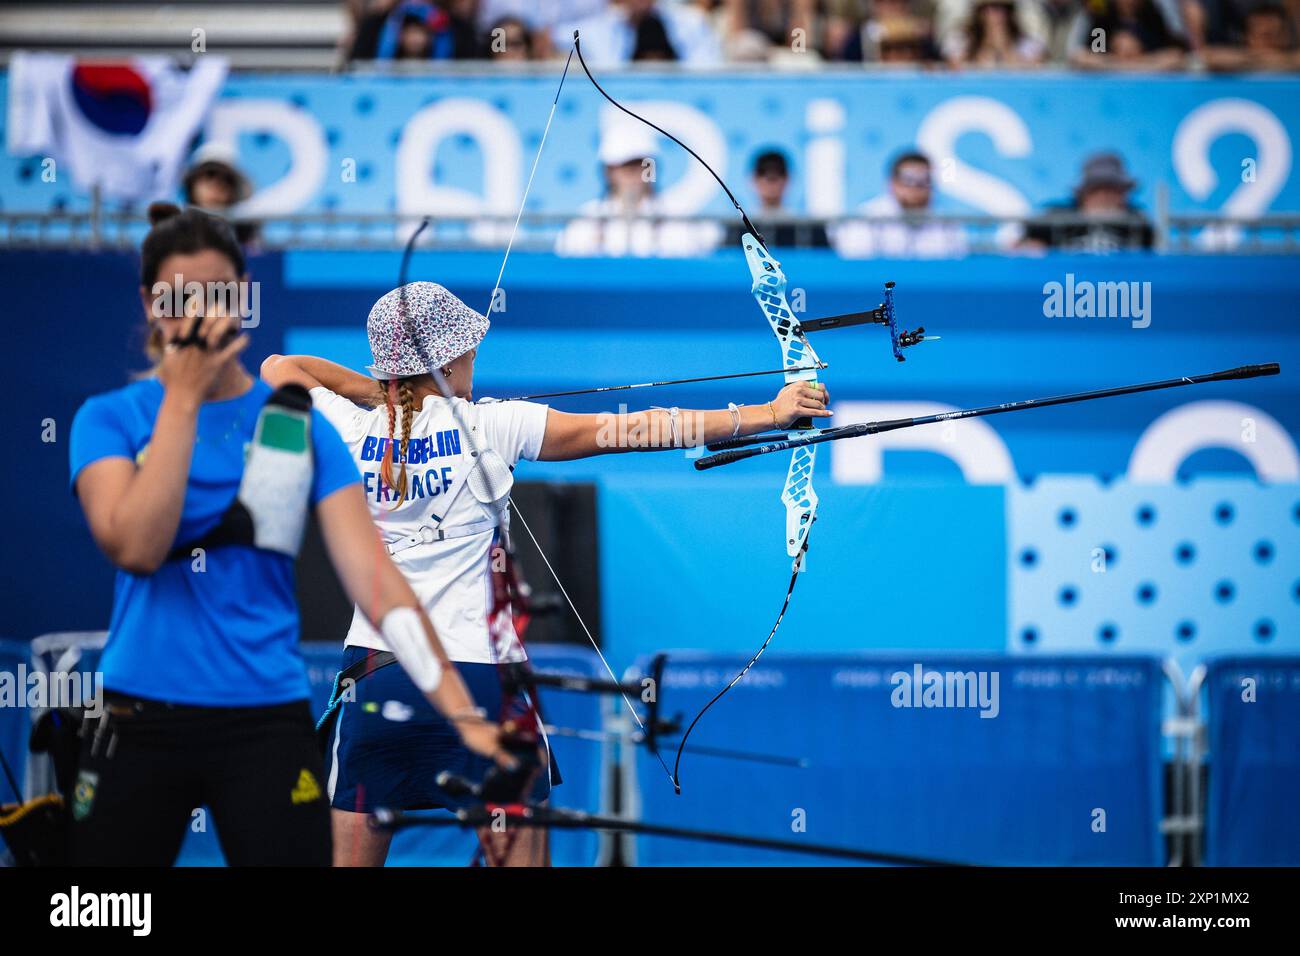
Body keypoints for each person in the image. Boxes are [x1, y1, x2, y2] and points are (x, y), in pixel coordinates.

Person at [260, 281, 831, 866]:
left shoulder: (347, 429)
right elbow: (639, 430)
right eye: (467, 349)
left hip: (377, 679)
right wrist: (769, 413)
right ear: (451, 357)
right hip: (483, 683)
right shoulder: (494, 426)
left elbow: (280, 366)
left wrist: (394, 392)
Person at [67, 205, 504, 866]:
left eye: (216, 295)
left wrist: (460, 708)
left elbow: (377, 584)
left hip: (265, 717)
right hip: (139, 712)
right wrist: (182, 402)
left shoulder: (298, 424)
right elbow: (135, 545)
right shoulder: (109, 419)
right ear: (150, 303)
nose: (198, 314)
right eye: (179, 297)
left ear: (241, 298)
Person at [556, 118, 723, 258]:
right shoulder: (586, 220)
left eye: (644, 165)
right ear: (609, 171)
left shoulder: (680, 218)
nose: (636, 173)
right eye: (627, 166)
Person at [832, 151, 968, 259]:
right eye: (909, 179)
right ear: (892, 183)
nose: (916, 188)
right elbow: (857, 266)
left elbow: (956, 267)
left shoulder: (946, 222)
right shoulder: (868, 218)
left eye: (924, 180)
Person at [1018, 152, 1155, 253]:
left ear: (1125, 194)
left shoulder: (1140, 226)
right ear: (1082, 195)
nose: (1105, 197)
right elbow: (1019, 247)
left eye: (1113, 189)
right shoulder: (1054, 221)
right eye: (1097, 190)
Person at [723, 150, 829, 249]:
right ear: (752, 179)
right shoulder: (737, 230)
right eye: (762, 172)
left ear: (788, 178)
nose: (771, 177)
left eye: (779, 172)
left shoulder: (810, 228)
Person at [182, 143, 259, 246]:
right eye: (210, 174)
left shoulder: (250, 241)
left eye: (228, 179)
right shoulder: (171, 236)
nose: (217, 184)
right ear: (191, 184)